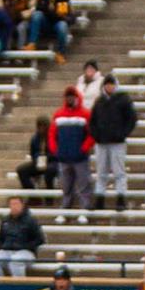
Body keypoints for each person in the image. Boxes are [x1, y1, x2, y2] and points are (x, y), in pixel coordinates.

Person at [87, 71, 133, 212]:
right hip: (102, 142)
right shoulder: (99, 101)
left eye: (111, 84)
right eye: (107, 84)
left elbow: (131, 119)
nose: (109, 87)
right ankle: (100, 198)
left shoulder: (123, 100)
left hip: (117, 142)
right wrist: (96, 136)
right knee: (101, 172)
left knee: (119, 172)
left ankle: (121, 198)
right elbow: (92, 121)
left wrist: (122, 134)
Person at [48, 85, 93, 220]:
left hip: (80, 158)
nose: (69, 99)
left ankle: (85, 209)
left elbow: (92, 134)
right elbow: (51, 134)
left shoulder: (85, 114)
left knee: (83, 184)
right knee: (66, 186)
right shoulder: (58, 114)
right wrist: (55, 150)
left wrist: (84, 148)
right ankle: (65, 209)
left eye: (72, 97)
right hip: (64, 157)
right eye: (67, 97)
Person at [0, 193, 41, 275]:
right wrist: (4, 247)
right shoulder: (5, 220)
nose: (14, 206)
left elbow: (39, 239)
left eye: (16, 204)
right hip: (7, 250)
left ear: (22, 205)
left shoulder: (31, 221)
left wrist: (25, 246)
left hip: (26, 252)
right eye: (12, 204)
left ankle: (19, 287)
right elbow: (0, 237)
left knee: (15, 261)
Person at [15, 120, 52, 192]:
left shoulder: (54, 137)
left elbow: (58, 153)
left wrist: (47, 157)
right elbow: (32, 153)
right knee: (21, 170)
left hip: (52, 162)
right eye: (40, 126)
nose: (42, 129)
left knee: (50, 171)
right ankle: (33, 196)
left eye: (44, 127)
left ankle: (49, 198)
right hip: (38, 162)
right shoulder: (35, 139)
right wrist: (37, 157)